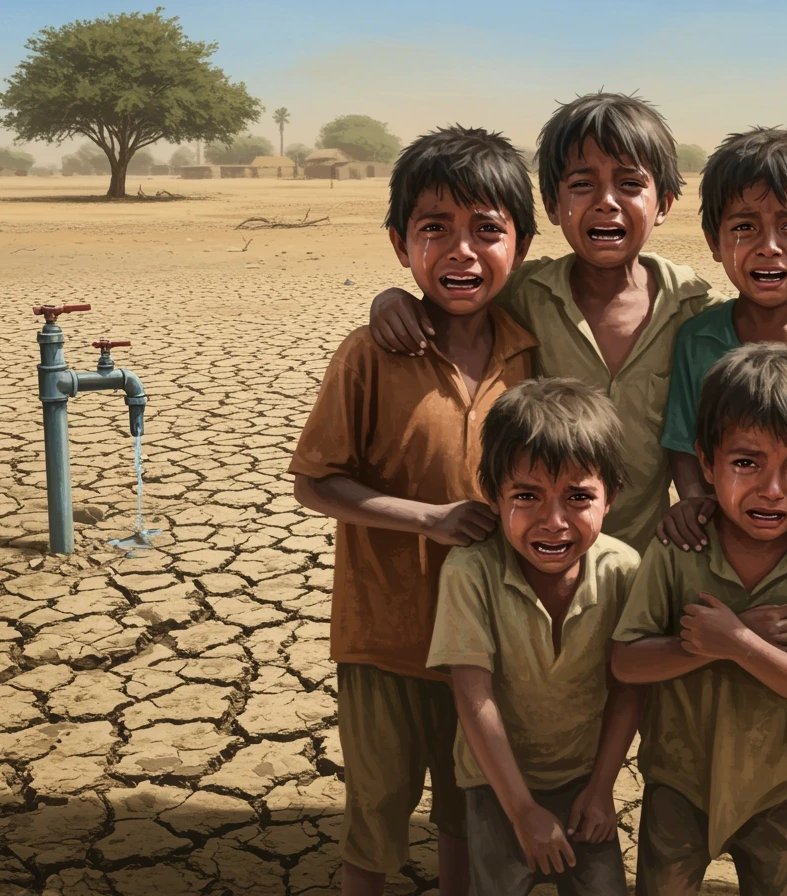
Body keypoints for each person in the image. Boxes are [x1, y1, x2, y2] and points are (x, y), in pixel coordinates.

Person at [363, 92, 787, 550]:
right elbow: (461, 290)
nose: (606, 202)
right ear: (551, 202)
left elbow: (763, 316)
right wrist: (392, 297)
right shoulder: (523, 295)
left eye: (630, 184)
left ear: (663, 204)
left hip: (651, 553)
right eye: (582, 184)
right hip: (545, 546)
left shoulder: (690, 309)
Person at [288, 126, 539, 896]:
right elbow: (315, 482)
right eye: (436, 230)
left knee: (469, 811)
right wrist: (426, 519)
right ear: (401, 243)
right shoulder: (371, 351)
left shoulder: (530, 350)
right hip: (384, 638)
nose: (461, 252)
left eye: (487, 231)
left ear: (521, 248)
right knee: (378, 815)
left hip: (486, 640)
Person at [611, 343, 787, 896]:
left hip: (777, 788)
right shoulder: (677, 546)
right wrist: (707, 644)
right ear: (705, 461)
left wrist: (739, 642)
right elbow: (626, 661)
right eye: (746, 462)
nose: (772, 489)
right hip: (677, 782)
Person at [427, 378, 641, 895]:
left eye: (578, 497)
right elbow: (471, 691)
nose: (553, 521)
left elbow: (629, 687)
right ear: (493, 495)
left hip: (584, 780)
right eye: (526, 496)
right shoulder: (470, 569)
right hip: (496, 782)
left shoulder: (623, 570)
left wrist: (601, 788)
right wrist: (521, 809)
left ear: (610, 497)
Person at [659, 126, 787, 555]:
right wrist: (698, 508)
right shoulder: (699, 338)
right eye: (745, 226)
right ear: (715, 241)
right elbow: (682, 446)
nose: (769, 246)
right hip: (728, 551)